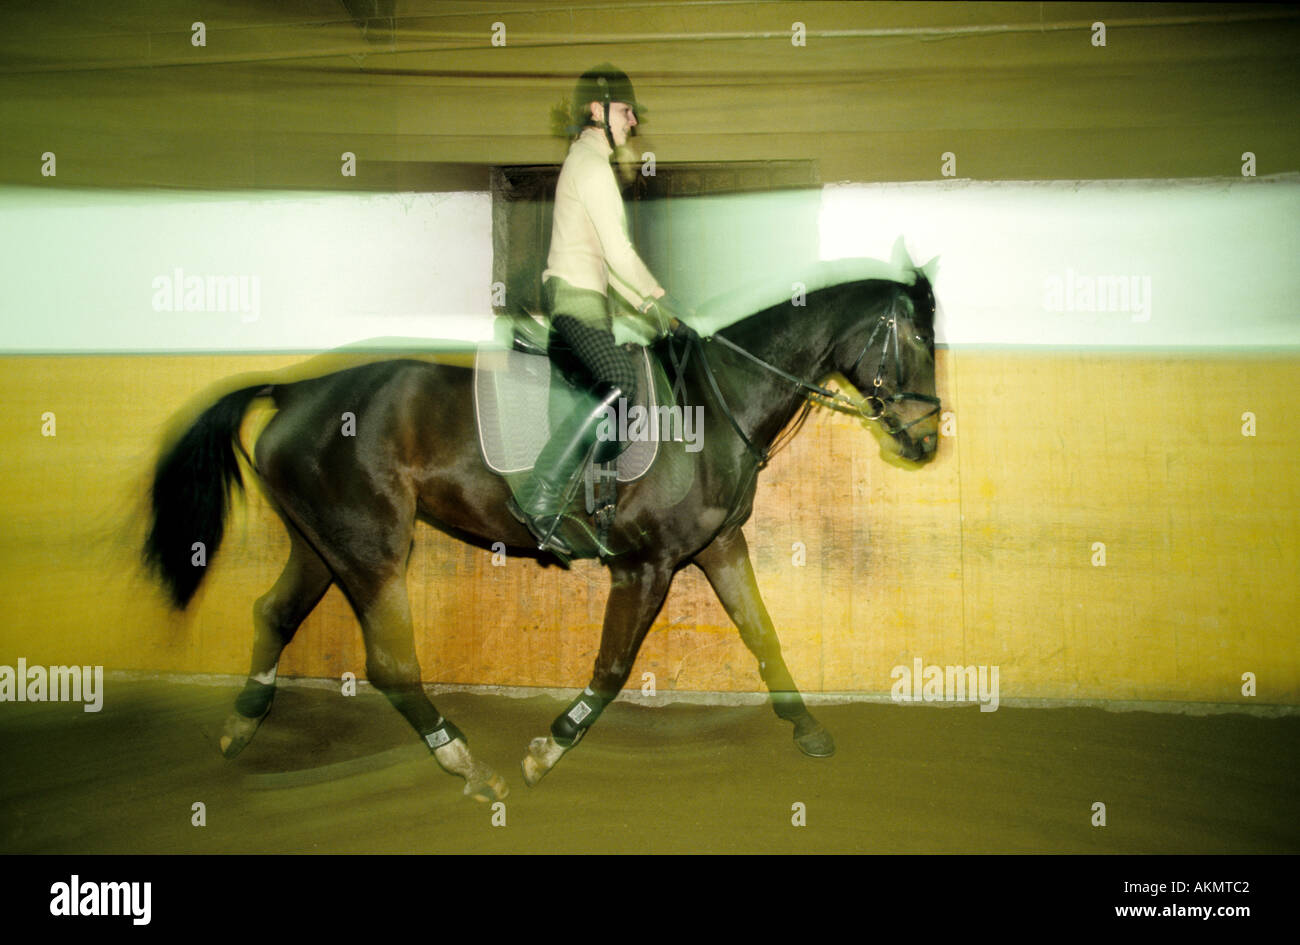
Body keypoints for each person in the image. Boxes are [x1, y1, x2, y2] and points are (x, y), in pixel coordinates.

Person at [508, 64, 690, 559]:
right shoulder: (590, 166)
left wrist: (652, 310)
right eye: (626, 110)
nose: (633, 121)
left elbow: (609, 270)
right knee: (619, 383)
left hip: (588, 304)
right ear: (597, 109)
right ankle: (540, 491)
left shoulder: (587, 163)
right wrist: (660, 299)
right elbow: (618, 251)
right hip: (575, 310)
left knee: (621, 383)